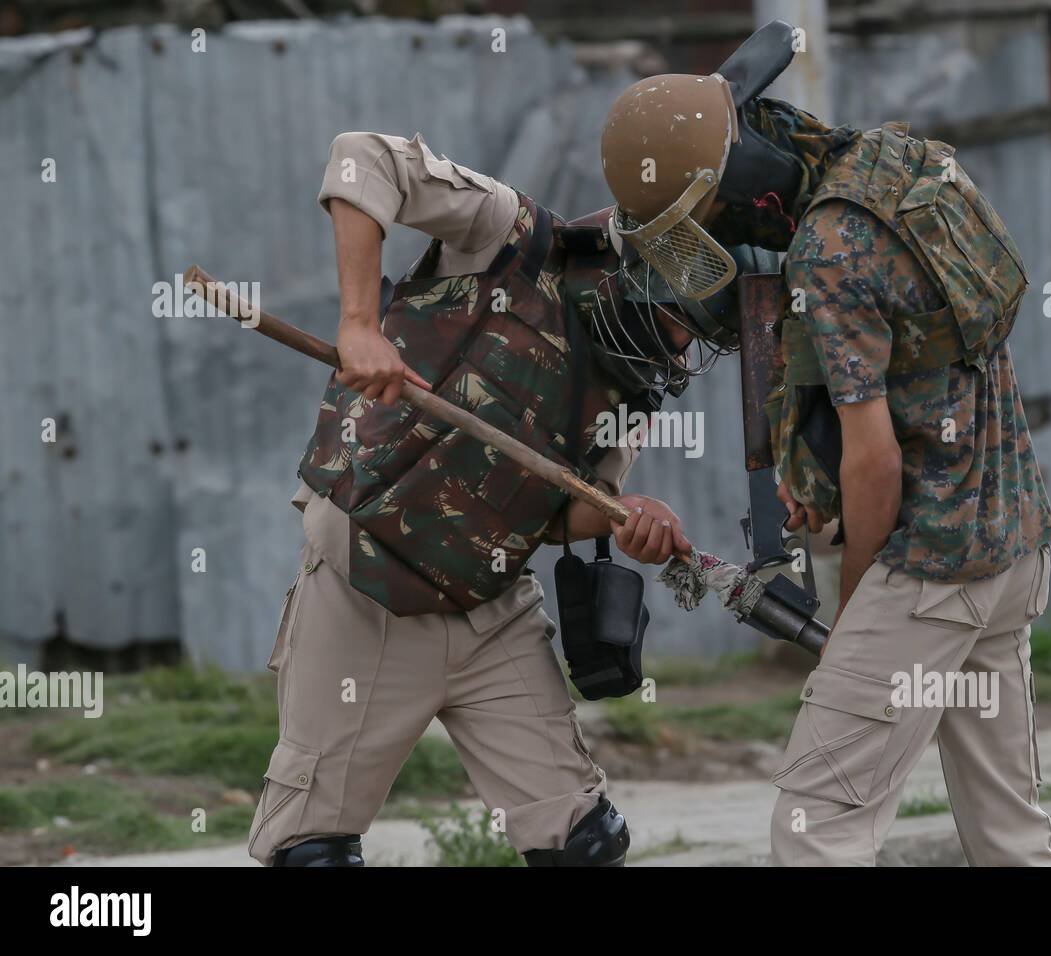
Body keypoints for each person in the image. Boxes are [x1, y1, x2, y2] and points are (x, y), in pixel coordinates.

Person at [598, 20, 1051, 866]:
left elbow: (875, 458)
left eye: (702, 216)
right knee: (1009, 836)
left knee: (819, 825)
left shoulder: (829, 250)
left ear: (740, 184)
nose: (710, 235)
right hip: (1009, 546)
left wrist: (854, 611)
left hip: (926, 566)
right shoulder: (892, 164)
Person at [247, 129, 712, 866]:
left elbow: (564, 514)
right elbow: (359, 157)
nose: (681, 347)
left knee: (584, 842)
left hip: (488, 608)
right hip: (363, 588)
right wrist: (361, 326)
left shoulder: (637, 380)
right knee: (313, 853)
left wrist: (629, 519)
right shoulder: (513, 236)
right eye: (682, 322)